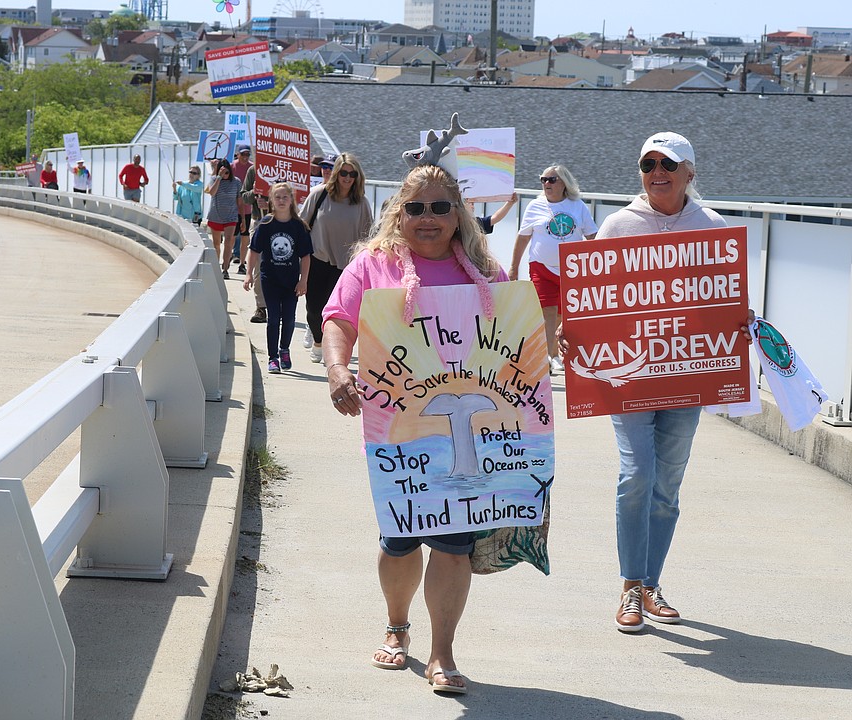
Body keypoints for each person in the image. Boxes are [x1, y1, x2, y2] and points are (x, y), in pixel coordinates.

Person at [321, 164, 508, 695]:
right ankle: (397, 622)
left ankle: (442, 652)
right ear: (399, 213)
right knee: (399, 541)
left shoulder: (485, 272)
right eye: (416, 207)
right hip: (396, 432)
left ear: (458, 215)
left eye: (440, 207)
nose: (428, 218)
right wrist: (339, 369)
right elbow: (339, 319)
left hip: (467, 438)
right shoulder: (371, 265)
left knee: (453, 543)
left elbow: (517, 338)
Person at [557, 131, 754, 633]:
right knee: (637, 475)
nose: (657, 172)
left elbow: (720, 296)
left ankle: (651, 583)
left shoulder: (711, 227)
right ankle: (628, 585)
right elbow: (592, 295)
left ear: (691, 172)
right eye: (648, 164)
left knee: (667, 485)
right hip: (630, 376)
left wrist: (737, 318)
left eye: (669, 163)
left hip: (688, 375)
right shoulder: (620, 224)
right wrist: (571, 327)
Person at [509, 165, 597, 375]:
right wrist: (514, 268)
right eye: (543, 179)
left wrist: (595, 267)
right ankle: (551, 356)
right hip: (541, 267)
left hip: (571, 269)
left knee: (564, 314)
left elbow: (593, 237)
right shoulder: (535, 206)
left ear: (563, 183)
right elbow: (522, 238)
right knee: (546, 312)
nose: (546, 184)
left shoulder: (578, 206)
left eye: (551, 180)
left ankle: (561, 352)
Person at [299, 152, 372, 363]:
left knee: (336, 312)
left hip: (346, 266)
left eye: (352, 174)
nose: (347, 178)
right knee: (313, 309)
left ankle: (332, 350)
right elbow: (302, 225)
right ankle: (318, 341)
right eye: (343, 173)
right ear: (336, 174)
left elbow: (368, 237)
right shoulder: (319, 194)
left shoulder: (362, 203)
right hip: (318, 259)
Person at [243, 182, 312, 374]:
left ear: (292, 200)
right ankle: (273, 358)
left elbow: (305, 256)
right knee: (273, 319)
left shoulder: (299, 226)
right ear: (271, 200)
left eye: (285, 197)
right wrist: (248, 274)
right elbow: (254, 251)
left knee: (289, 319)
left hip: (291, 281)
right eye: (277, 197)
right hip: (270, 279)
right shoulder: (265, 224)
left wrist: (303, 280)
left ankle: (284, 350)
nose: (281, 201)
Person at [239, 165, 269, 324]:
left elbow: (294, 197)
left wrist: (270, 202)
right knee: (259, 266)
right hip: (259, 221)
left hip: (282, 221)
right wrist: (254, 191)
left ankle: (280, 305)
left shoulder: (287, 166)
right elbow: (244, 197)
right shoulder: (254, 170)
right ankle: (261, 307)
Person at [205, 158, 241, 279]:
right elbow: (212, 192)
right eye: (223, 172)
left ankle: (225, 268)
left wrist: (243, 220)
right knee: (216, 244)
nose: (225, 175)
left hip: (231, 216)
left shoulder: (236, 182)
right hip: (216, 215)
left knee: (228, 242)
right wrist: (219, 177)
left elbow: (239, 201)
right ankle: (216, 266)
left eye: (227, 172)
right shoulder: (214, 179)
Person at [231, 145, 254, 274]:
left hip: (247, 208)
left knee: (245, 236)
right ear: (238, 154)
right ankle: (227, 260)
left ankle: (241, 262)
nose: (245, 157)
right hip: (233, 209)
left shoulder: (252, 168)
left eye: (247, 154)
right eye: (243, 154)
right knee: (232, 236)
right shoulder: (232, 167)